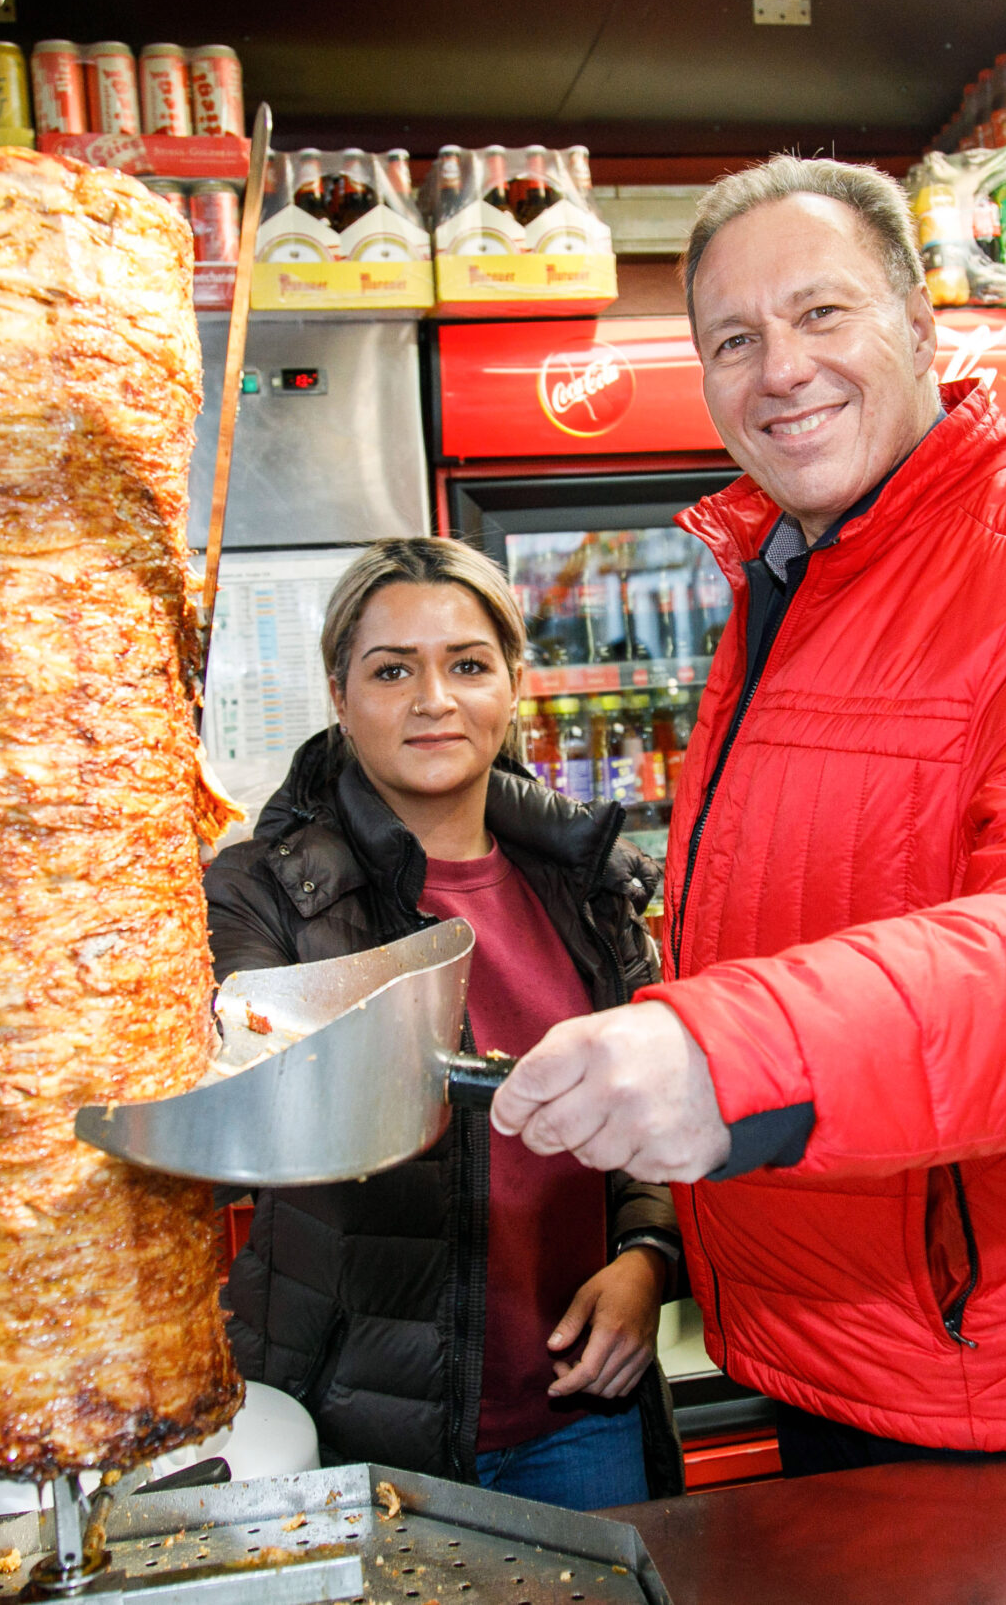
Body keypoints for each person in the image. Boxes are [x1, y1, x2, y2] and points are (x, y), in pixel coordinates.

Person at [489, 156, 1006, 1472]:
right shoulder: (787, 580)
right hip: (819, 1347)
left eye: (821, 313)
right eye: (735, 338)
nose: (780, 366)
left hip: (988, 1381)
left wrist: (729, 1058)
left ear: (921, 324)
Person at [207, 537, 684, 1510]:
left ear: (512, 683)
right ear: (340, 695)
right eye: (393, 670)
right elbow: (252, 1108)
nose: (434, 699)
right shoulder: (262, 891)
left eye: (466, 665)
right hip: (355, 1423)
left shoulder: (594, 885)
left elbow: (655, 1123)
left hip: (581, 1414)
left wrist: (647, 1259)